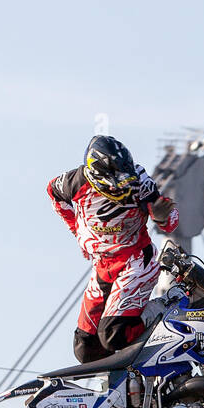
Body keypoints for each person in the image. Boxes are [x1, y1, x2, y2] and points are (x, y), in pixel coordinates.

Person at [47, 135, 179, 364]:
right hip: (102, 266)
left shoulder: (140, 182)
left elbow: (172, 220)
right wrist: (77, 230)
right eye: (118, 180)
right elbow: (53, 192)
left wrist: (161, 217)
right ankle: (128, 386)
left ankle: (168, 304)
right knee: (86, 349)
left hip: (135, 260)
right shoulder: (73, 183)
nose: (125, 185)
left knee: (113, 335)